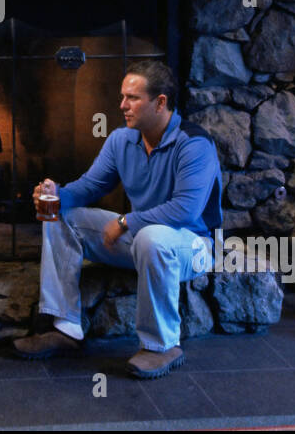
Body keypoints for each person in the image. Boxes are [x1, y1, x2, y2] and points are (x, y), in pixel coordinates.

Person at [13, 60, 222, 378]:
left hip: (192, 245)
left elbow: (185, 211)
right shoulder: (122, 140)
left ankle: (162, 346)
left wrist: (126, 222)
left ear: (160, 102)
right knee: (60, 217)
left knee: (154, 237)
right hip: (142, 242)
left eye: (132, 98)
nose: (122, 105)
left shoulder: (194, 144)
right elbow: (89, 187)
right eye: (123, 96)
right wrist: (56, 194)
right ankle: (66, 327)